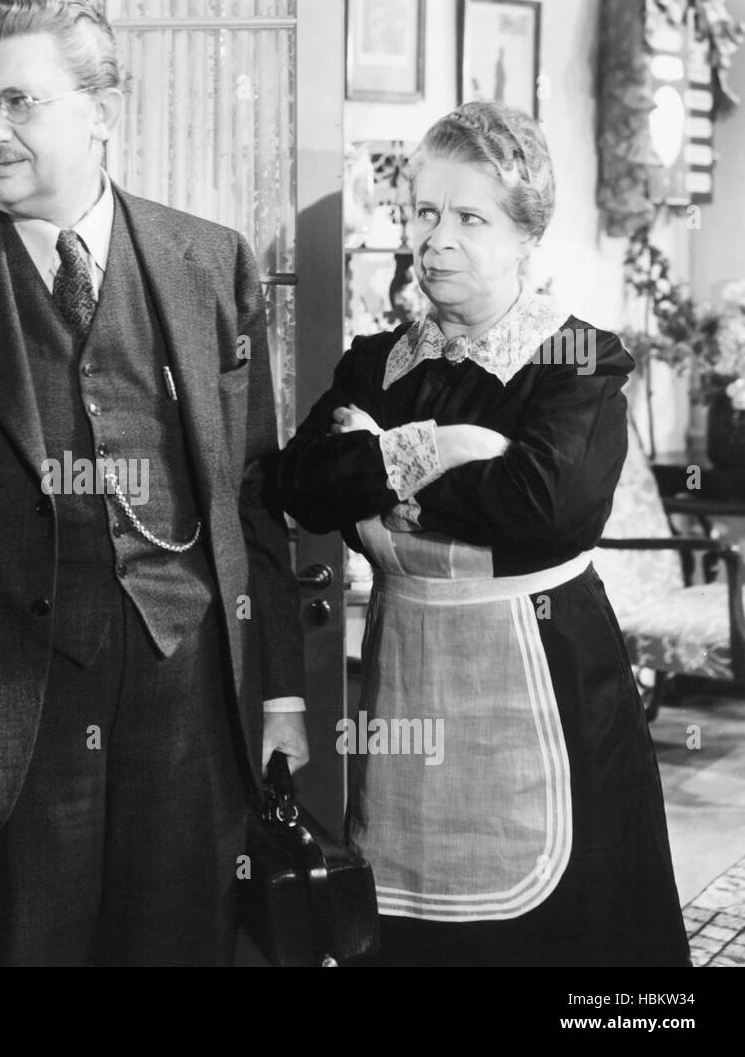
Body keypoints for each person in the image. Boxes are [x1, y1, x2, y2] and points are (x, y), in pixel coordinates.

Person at [0, 0, 306, 966]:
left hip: (188, 707)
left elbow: (252, 489)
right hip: (0, 713)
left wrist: (282, 693)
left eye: (19, 103)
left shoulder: (211, 261)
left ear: (100, 109)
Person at [276, 102, 689, 966]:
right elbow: (296, 489)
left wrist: (382, 460)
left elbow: (545, 508)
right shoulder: (377, 360)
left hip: (548, 688)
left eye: (471, 218)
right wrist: (456, 448)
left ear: (525, 235)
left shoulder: (577, 359)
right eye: (425, 213)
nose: (438, 240)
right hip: (406, 689)